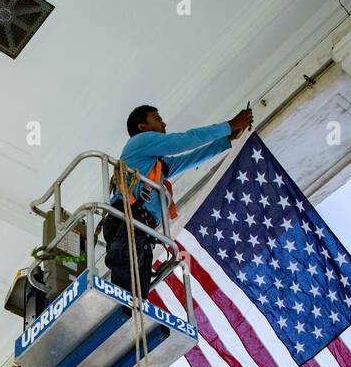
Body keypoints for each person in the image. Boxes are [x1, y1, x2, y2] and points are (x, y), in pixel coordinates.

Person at [104, 104, 255, 290]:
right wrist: (230, 125)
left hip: (140, 228)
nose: (164, 124)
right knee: (128, 288)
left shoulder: (156, 165)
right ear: (142, 127)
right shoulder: (139, 141)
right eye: (157, 119)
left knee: (137, 292)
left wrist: (226, 139)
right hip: (127, 222)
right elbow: (186, 140)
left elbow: (191, 159)